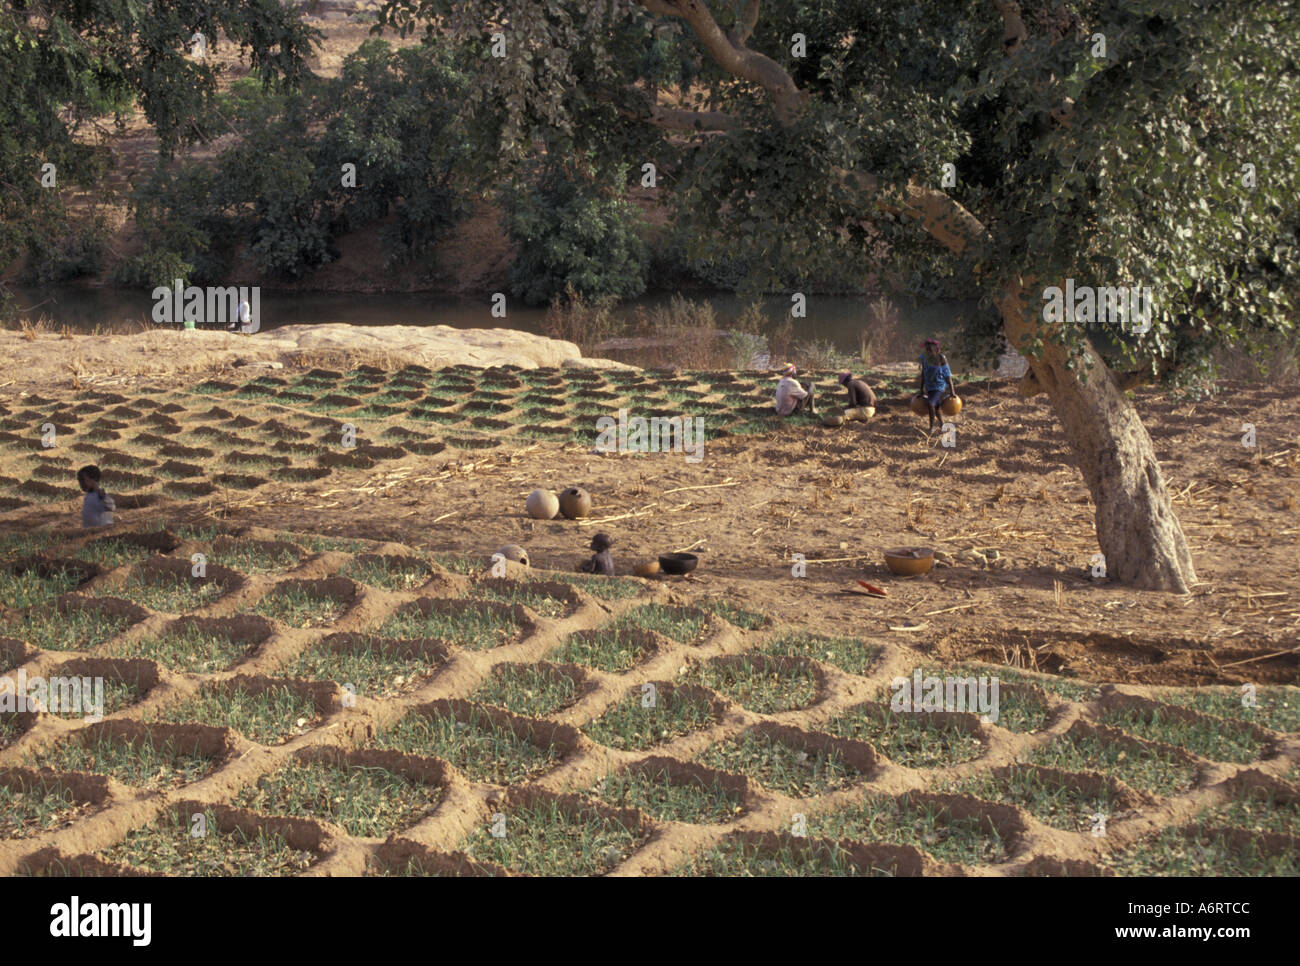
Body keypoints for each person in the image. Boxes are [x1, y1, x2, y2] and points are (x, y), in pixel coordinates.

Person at [914, 338, 958, 431]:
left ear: (936, 348)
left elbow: (947, 374)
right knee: (936, 407)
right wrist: (921, 390)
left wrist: (952, 391)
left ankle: (931, 427)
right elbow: (923, 373)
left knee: (930, 404)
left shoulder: (942, 358)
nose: (928, 350)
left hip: (939, 386)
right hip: (929, 387)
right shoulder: (924, 358)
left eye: (930, 348)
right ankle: (942, 425)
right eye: (927, 348)